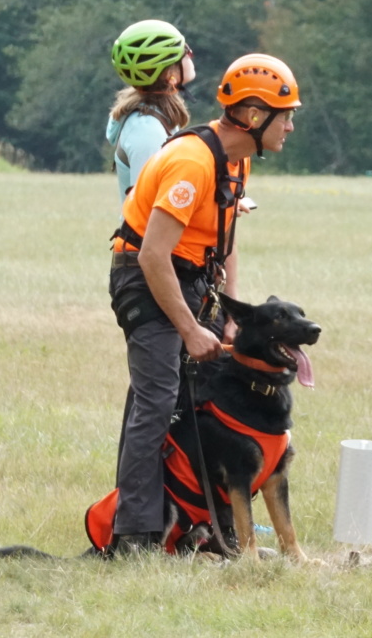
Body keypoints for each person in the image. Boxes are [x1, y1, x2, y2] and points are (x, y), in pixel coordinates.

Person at [107, 53, 301, 553]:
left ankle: (207, 526)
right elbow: (152, 255)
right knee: (157, 399)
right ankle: (135, 534)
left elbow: (224, 239)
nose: (291, 127)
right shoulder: (192, 163)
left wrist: (230, 317)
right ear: (254, 116)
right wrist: (190, 330)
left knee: (207, 399)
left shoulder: (236, 160)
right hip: (145, 278)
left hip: (193, 278)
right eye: (285, 116)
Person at [106, 19, 196, 205]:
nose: (190, 54)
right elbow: (147, 207)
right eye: (185, 50)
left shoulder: (158, 117)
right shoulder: (147, 130)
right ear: (169, 73)